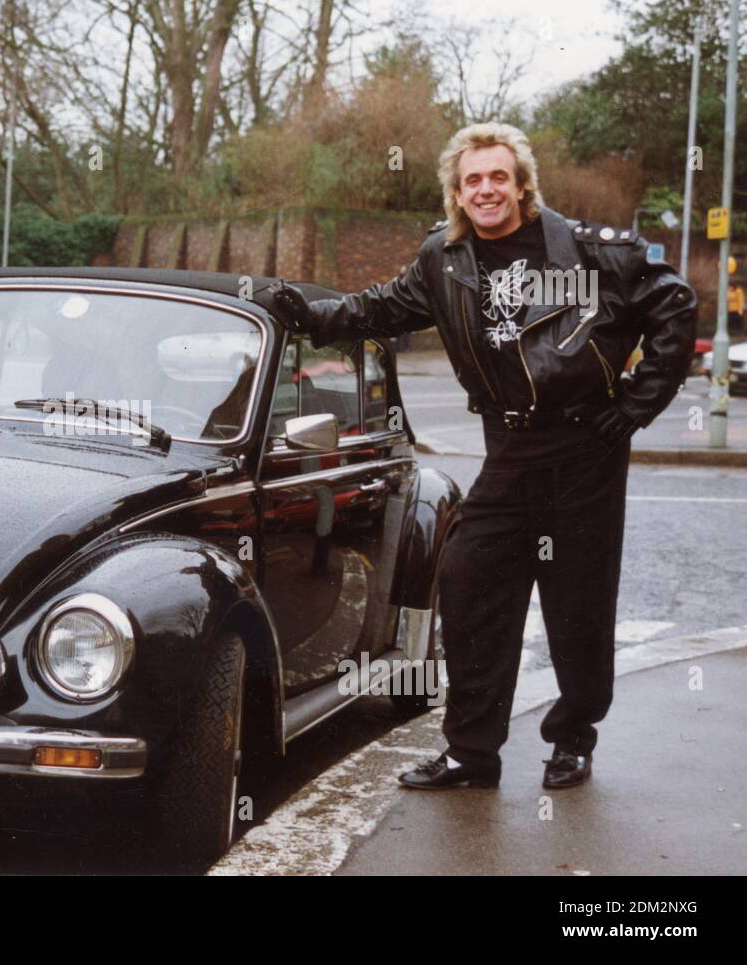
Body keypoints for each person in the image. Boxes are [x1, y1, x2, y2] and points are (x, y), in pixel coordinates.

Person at [273, 122, 697, 790]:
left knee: (577, 601)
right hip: (509, 447)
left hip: (583, 448)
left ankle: (573, 738)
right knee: (469, 585)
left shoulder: (589, 252)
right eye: (473, 180)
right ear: (457, 193)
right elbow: (379, 308)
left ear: (522, 185)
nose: (486, 189)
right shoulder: (446, 262)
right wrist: (311, 313)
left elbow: (674, 303)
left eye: (499, 176)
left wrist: (635, 405)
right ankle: (473, 753)